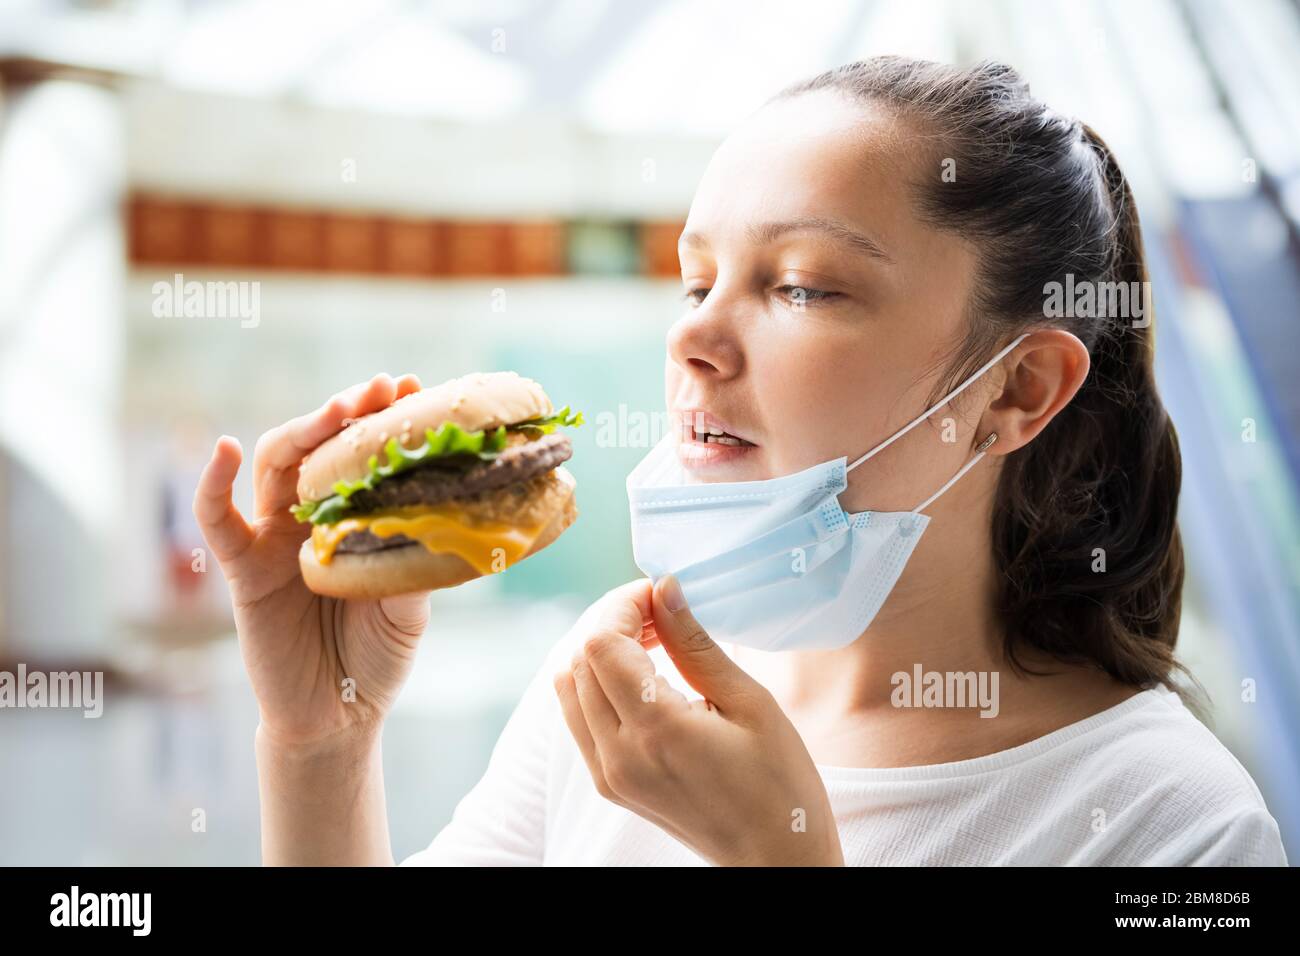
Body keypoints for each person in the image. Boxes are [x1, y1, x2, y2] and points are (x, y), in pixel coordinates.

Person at [193, 57, 1288, 866]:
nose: (693, 338)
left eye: (802, 285)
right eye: (696, 279)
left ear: (1015, 390)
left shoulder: (1176, 823)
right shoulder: (620, 686)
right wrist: (322, 739)